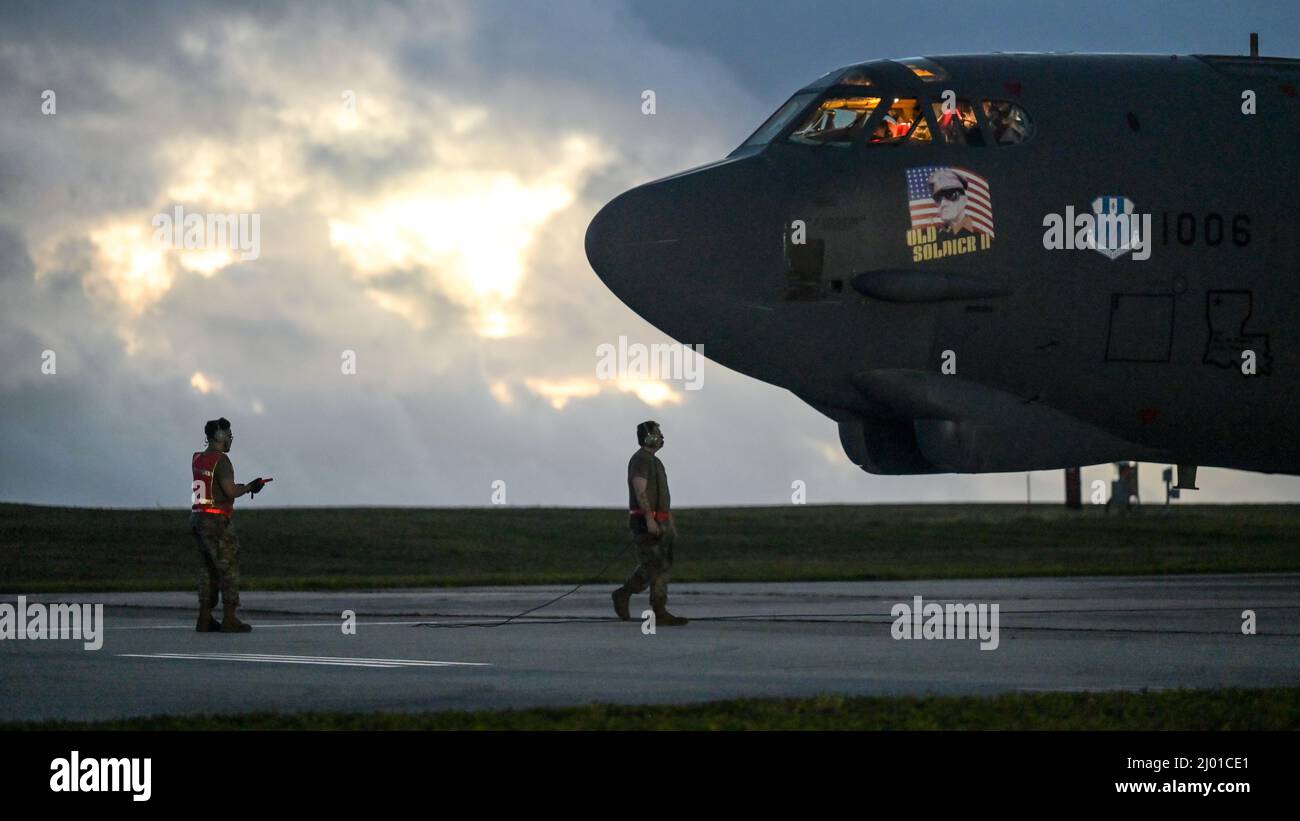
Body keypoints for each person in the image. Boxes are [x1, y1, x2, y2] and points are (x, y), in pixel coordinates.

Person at [190, 417, 268, 633]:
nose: (231, 440)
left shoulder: (198, 458)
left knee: (207, 570)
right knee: (228, 568)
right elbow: (230, 491)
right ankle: (229, 617)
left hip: (198, 518)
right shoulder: (221, 461)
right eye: (229, 436)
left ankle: (204, 618)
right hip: (216, 521)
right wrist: (250, 487)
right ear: (220, 437)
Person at [611, 421, 687, 627]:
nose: (662, 437)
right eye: (658, 433)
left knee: (663, 565)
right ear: (648, 437)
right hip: (646, 522)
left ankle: (659, 610)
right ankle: (624, 593)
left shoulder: (655, 462)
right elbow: (640, 490)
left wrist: (668, 523)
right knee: (653, 564)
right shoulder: (640, 460)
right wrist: (648, 519)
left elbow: (661, 496)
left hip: (661, 521)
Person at [928, 168, 980, 237]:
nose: (943, 203)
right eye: (938, 198)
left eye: (950, 195)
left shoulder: (978, 230)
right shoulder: (938, 234)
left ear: (964, 200)